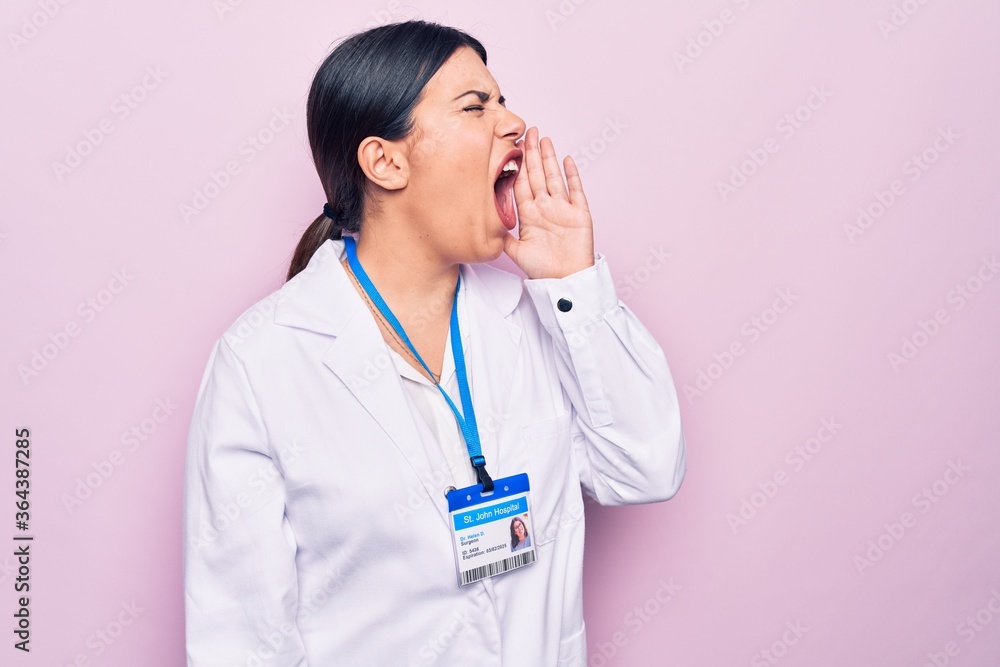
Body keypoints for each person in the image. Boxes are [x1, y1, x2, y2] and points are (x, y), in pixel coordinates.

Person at [182, 19, 687, 667]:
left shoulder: (537, 316)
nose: (514, 124)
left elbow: (646, 468)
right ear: (386, 161)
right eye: (476, 107)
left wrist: (573, 284)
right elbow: (240, 641)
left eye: (503, 101)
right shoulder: (261, 360)